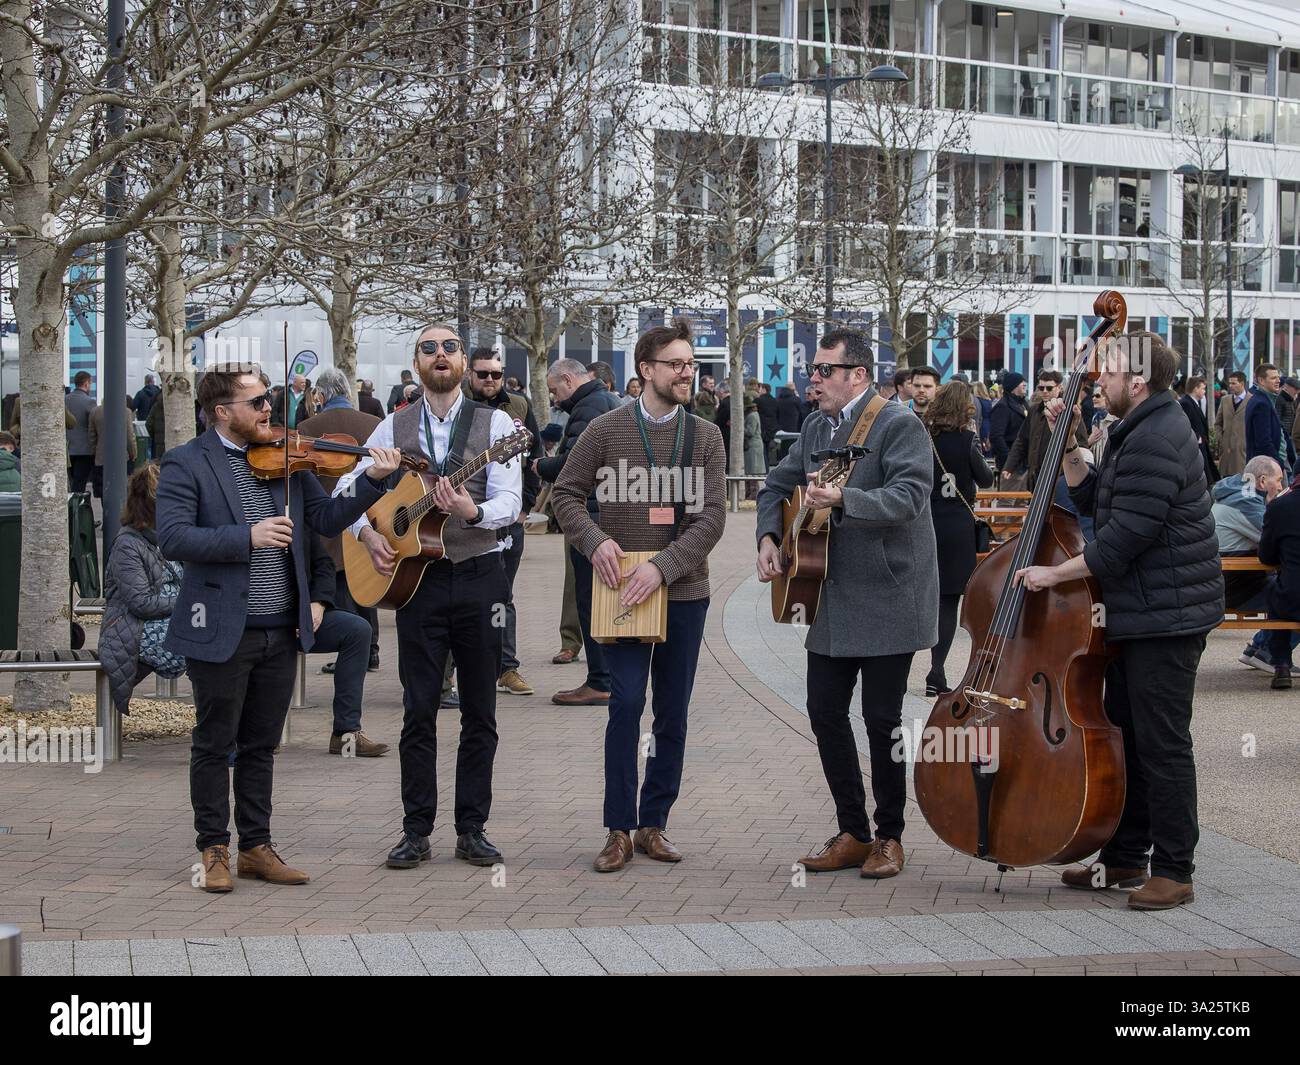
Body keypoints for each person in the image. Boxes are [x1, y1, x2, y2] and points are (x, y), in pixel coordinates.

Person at [157, 366, 402, 893]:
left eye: (269, 399)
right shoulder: (186, 462)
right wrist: (248, 536)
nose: (270, 409)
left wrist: (375, 480)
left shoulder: (288, 459)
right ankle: (213, 847)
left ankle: (256, 847)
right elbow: (174, 538)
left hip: (281, 628)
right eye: (257, 402)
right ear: (223, 412)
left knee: (261, 744)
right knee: (214, 743)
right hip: (221, 627)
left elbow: (329, 520)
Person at [1016, 332, 1223, 911]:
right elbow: (1100, 501)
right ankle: (1126, 858)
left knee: (1162, 744)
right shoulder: (1141, 427)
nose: (1097, 380)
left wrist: (1050, 577)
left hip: (1167, 615)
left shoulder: (1156, 436)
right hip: (1146, 609)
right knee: (1127, 735)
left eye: (1106, 371)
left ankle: (1175, 869)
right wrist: (1071, 449)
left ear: (1137, 381)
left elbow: (1124, 540)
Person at [335, 323, 522, 871]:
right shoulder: (392, 425)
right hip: (416, 583)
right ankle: (416, 830)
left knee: (480, 710)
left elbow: (511, 498)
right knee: (418, 710)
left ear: (463, 360)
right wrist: (368, 535)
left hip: (480, 574)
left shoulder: (499, 424)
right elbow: (346, 491)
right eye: (429, 349)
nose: (440, 356)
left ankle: (473, 828)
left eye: (450, 348)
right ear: (416, 363)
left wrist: (473, 512)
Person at [757, 329, 937, 881]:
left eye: (824, 370)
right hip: (830, 593)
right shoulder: (815, 426)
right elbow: (773, 486)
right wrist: (768, 536)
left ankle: (890, 836)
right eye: (814, 369)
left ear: (857, 375)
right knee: (824, 712)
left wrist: (844, 498)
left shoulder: (897, 423)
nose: (814, 378)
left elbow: (909, 497)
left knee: (882, 721)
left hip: (888, 593)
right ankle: (853, 831)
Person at [551, 318, 725, 872]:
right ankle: (618, 828)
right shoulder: (604, 430)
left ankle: (654, 824)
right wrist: (596, 541)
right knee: (625, 705)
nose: (686, 373)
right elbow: (566, 495)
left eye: (691, 364)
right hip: (621, 589)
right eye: (676, 364)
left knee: (672, 713)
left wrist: (665, 568)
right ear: (645, 370)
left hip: (684, 593)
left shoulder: (706, 436)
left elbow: (713, 518)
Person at [536, 358, 621, 706]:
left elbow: (574, 466)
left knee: (589, 601)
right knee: (605, 601)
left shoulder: (588, 408)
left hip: (592, 516)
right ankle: (609, 677)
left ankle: (600, 680)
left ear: (569, 380)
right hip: (611, 513)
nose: (555, 399)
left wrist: (540, 465)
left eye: (555, 391)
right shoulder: (607, 401)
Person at [296, 366, 384, 676]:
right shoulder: (375, 423)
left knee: (340, 585)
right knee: (366, 585)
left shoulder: (307, 426)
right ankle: (371, 647)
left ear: (320, 395)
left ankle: (351, 649)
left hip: (327, 515)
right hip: (370, 512)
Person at [466, 346, 541, 697]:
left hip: (507, 520)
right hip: (460, 523)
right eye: (483, 374)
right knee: (460, 597)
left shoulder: (520, 406)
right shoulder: (458, 409)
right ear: (470, 374)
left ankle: (506, 667)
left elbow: (535, 459)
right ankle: (452, 673)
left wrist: (524, 507)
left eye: (496, 374)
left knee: (502, 594)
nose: (491, 380)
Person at [923, 381, 994, 696]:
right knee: (948, 601)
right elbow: (986, 478)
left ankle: (901, 668)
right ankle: (936, 671)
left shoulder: (924, 438)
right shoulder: (967, 440)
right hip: (958, 527)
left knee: (923, 596)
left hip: (926, 523)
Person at [100, 464, 182, 715]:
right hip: (133, 627)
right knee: (206, 640)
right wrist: (190, 602)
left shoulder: (170, 538)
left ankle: (229, 728)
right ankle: (220, 731)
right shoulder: (128, 544)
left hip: (170, 618)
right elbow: (141, 603)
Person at [305, 531, 388, 755]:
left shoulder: (297, 507)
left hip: (301, 612)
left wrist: (319, 602)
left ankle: (346, 732)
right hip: (257, 615)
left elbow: (323, 563)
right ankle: (251, 735)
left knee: (358, 630)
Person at [1003, 370, 1088, 490]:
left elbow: (1082, 443)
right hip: (1035, 476)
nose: (1044, 392)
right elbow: (1022, 440)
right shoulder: (1034, 411)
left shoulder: (1069, 412)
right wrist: (1010, 466)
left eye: (1049, 388)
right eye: (1041, 388)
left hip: (1060, 477)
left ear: (1059, 388)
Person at [1258, 478, 1300, 689]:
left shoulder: (1279, 507)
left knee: (1276, 587)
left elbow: (1266, 556)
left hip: (1294, 598)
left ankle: (1282, 664)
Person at [1245, 363, 1295, 474]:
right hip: (1268, 469)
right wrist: (1278, 463)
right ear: (1261, 381)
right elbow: (1263, 442)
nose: (1278, 381)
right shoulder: (1261, 404)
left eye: (1278, 377)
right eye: (1273, 378)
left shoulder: (1265, 400)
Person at [89, 396, 138, 498]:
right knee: (122, 489)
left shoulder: (95, 412)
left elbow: (91, 436)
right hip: (121, 458)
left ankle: (105, 511)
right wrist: (133, 453)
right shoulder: (126, 412)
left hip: (101, 457)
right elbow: (130, 436)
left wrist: (95, 452)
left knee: (103, 490)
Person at [1178, 376, 1219, 488]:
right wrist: (1197, 437)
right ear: (1195, 389)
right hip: (1196, 445)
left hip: (1201, 444)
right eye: (1202, 388)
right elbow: (1187, 423)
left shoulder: (1193, 402)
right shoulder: (1186, 403)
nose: (1204, 391)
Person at [988, 371, 1027, 474]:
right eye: (1021, 382)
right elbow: (996, 436)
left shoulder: (1023, 404)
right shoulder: (1003, 407)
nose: (1024, 384)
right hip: (1012, 467)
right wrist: (1009, 459)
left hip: (1025, 463)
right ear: (1013, 386)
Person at [65, 371, 96, 493]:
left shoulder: (65, 400)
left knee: (71, 481)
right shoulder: (89, 402)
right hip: (84, 449)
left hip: (68, 449)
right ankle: (77, 508)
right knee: (80, 483)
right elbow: (94, 425)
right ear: (87, 384)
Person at [1215, 371, 1249, 477]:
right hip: (1226, 452)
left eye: (1234, 383)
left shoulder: (1251, 400)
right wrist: (1221, 439)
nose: (1230, 386)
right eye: (1230, 383)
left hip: (1242, 452)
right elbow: (1218, 423)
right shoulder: (1225, 400)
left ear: (1242, 384)